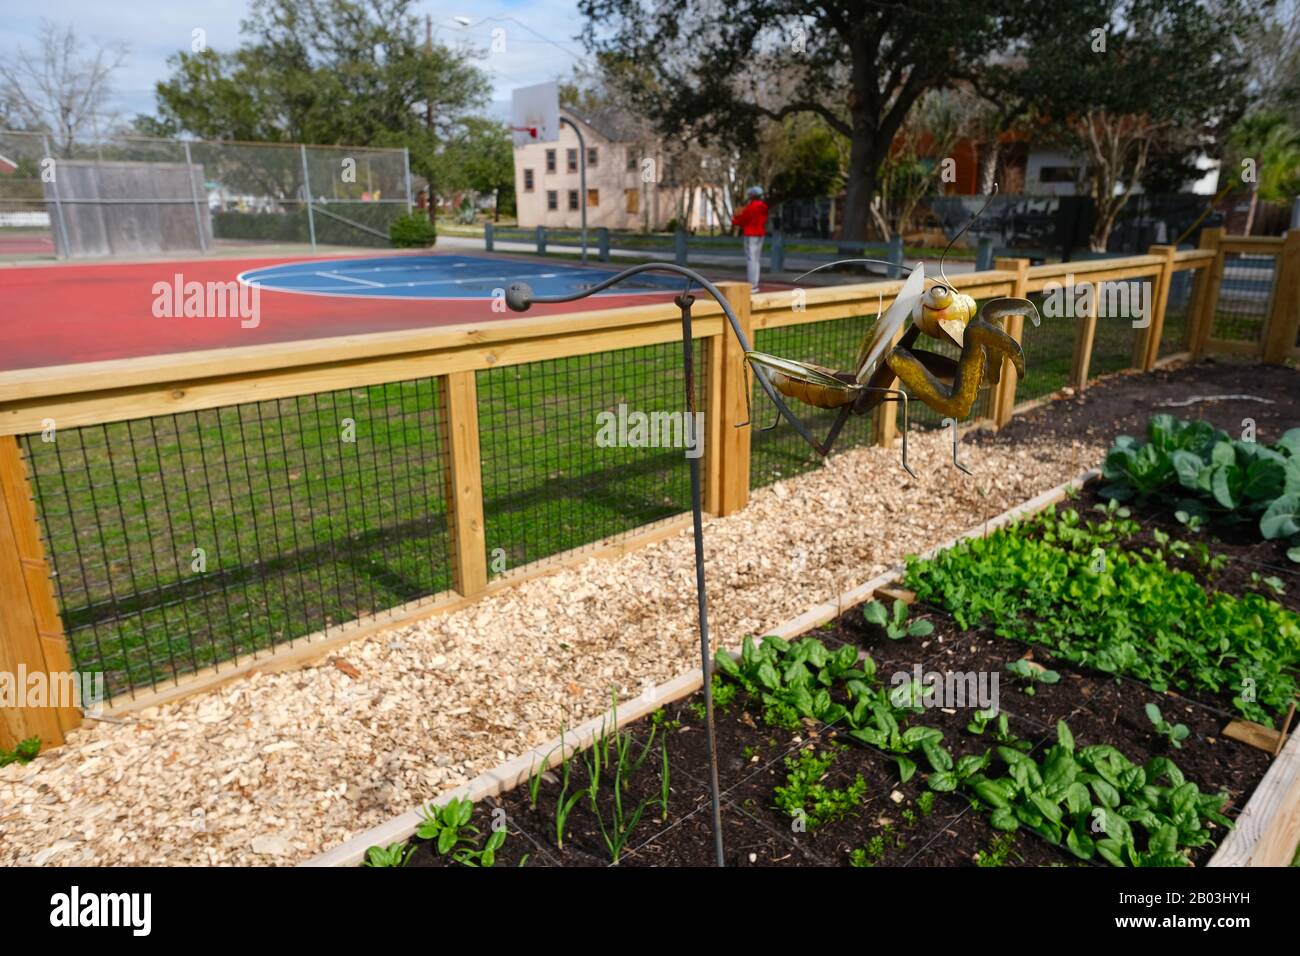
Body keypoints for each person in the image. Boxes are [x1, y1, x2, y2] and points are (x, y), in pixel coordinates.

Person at [731, 186, 769, 292]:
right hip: (760, 233)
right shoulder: (764, 206)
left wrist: (735, 219)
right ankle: (755, 283)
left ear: (752, 195)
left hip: (750, 234)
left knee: (751, 259)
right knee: (756, 259)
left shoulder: (751, 207)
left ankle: (752, 284)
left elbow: (743, 220)